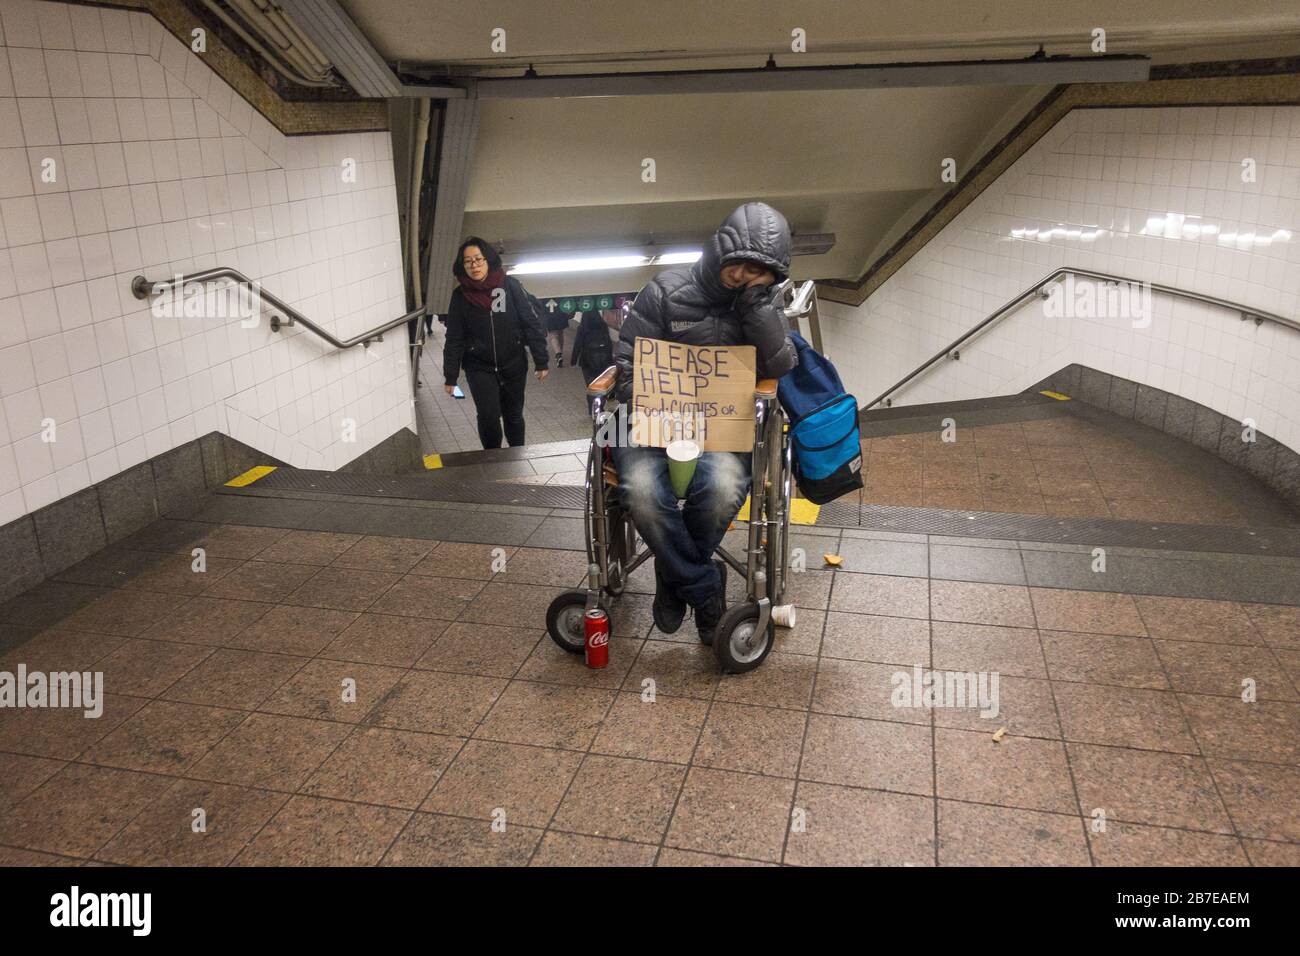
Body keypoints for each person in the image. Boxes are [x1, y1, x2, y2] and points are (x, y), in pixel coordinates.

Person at [611, 202, 797, 644]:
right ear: (720, 253)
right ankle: (704, 586)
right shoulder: (664, 292)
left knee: (720, 491)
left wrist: (757, 312)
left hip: (724, 429)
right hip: (653, 424)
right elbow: (625, 368)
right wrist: (660, 399)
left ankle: (671, 573)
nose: (746, 279)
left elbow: (781, 365)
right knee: (640, 491)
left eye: (760, 273)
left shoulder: (765, 304)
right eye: (740, 268)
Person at [443, 238, 550, 448]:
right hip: (479, 366)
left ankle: (517, 453)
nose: (474, 265)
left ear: (488, 260)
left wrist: (541, 361)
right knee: (488, 415)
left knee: (513, 415)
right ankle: (492, 457)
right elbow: (454, 337)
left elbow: (530, 323)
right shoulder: (461, 296)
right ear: (462, 266)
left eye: (478, 259)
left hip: (513, 363)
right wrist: (450, 376)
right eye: (468, 262)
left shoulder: (509, 286)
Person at [570, 309, 614, 409]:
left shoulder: (582, 328)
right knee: (601, 384)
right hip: (603, 360)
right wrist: (610, 360)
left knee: (591, 386)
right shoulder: (603, 327)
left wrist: (574, 360)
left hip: (587, 361)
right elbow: (609, 343)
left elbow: (578, 345)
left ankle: (592, 408)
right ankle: (601, 406)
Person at [544, 302, 571, 367]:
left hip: (549, 316)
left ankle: (558, 354)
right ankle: (560, 352)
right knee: (560, 333)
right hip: (560, 314)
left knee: (553, 335)